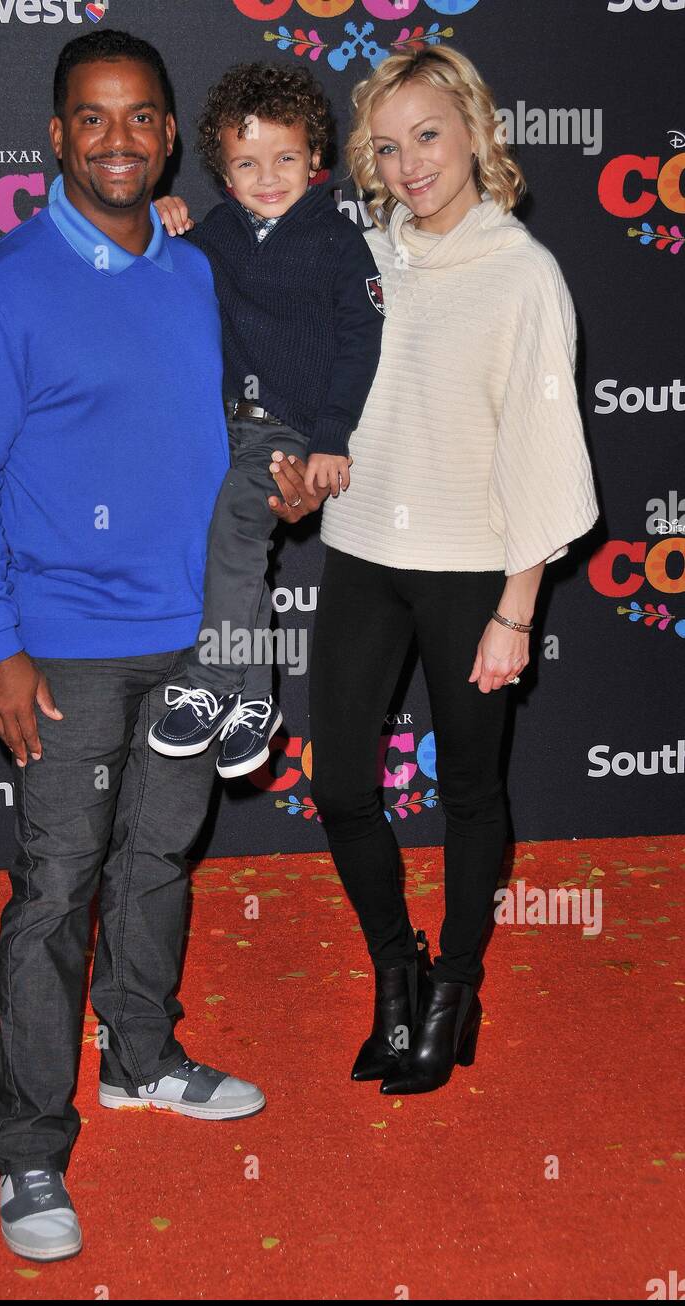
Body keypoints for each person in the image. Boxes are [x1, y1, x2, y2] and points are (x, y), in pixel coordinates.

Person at [0, 29, 320, 1264]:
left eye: (140, 118)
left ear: (166, 137)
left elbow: (239, 425)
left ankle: (141, 1055)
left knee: (160, 858)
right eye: (92, 120)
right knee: (55, 891)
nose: (117, 141)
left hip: (196, 634)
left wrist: (290, 477)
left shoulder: (199, 272)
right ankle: (30, 1150)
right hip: (65, 647)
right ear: (55, 137)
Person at [308, 44, 600, 1095]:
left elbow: (540, 444)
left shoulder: (522, 273)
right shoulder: (367, 253)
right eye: (386, 147)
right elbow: (256, 285)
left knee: (469, 790)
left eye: (427, 135)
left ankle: (456, 985)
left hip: (471, 569)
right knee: (337, 782)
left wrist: (514, 611)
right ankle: (397, 970)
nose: (409, 163)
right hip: (358, 553)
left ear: (474, 130)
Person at [146, 62, 384, 779]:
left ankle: (219, 684)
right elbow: (162, 277)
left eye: (285, 158)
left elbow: (359, 345)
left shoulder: (339, 241)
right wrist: (157, 224)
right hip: (220, 428)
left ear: (315, 157)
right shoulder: (217, 232)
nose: (268, 176)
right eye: (246, 163)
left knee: (238, 533)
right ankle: (255, 701)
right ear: (221, 170)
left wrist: (330, 440)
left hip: (290, 430)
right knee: (226, 554)